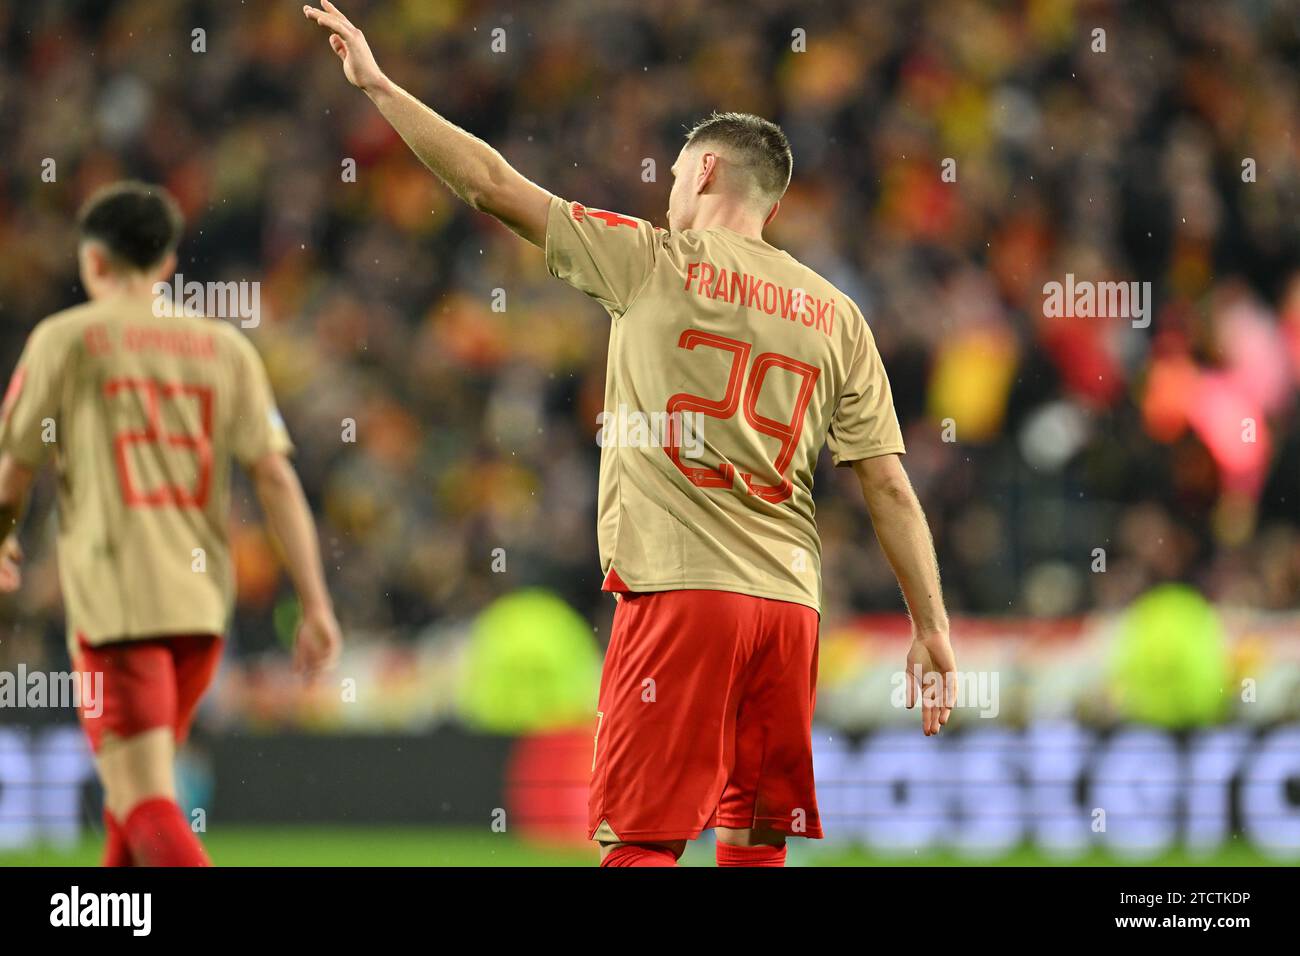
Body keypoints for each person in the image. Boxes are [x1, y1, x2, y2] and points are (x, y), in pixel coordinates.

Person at [305, 0, 955, 868]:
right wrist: (931, 625)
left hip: (685, 592)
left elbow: (494, 186)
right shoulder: (837, 315)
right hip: (792, 609)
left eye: (677, 173)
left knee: (642, 841)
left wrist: (380, 86)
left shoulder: (654, 262)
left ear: (708, 171)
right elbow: (887, 485)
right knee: (754, 840)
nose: (667, 190)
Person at [0, 181, 342, 866]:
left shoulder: (66, 341)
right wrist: (315, 601)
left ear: (92, 262)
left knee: (143, 798)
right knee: (133, 807)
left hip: (119, 607)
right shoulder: (225, 349)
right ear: (165, 263)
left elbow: (15, 470)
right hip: (199, 613)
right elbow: (275, 477)